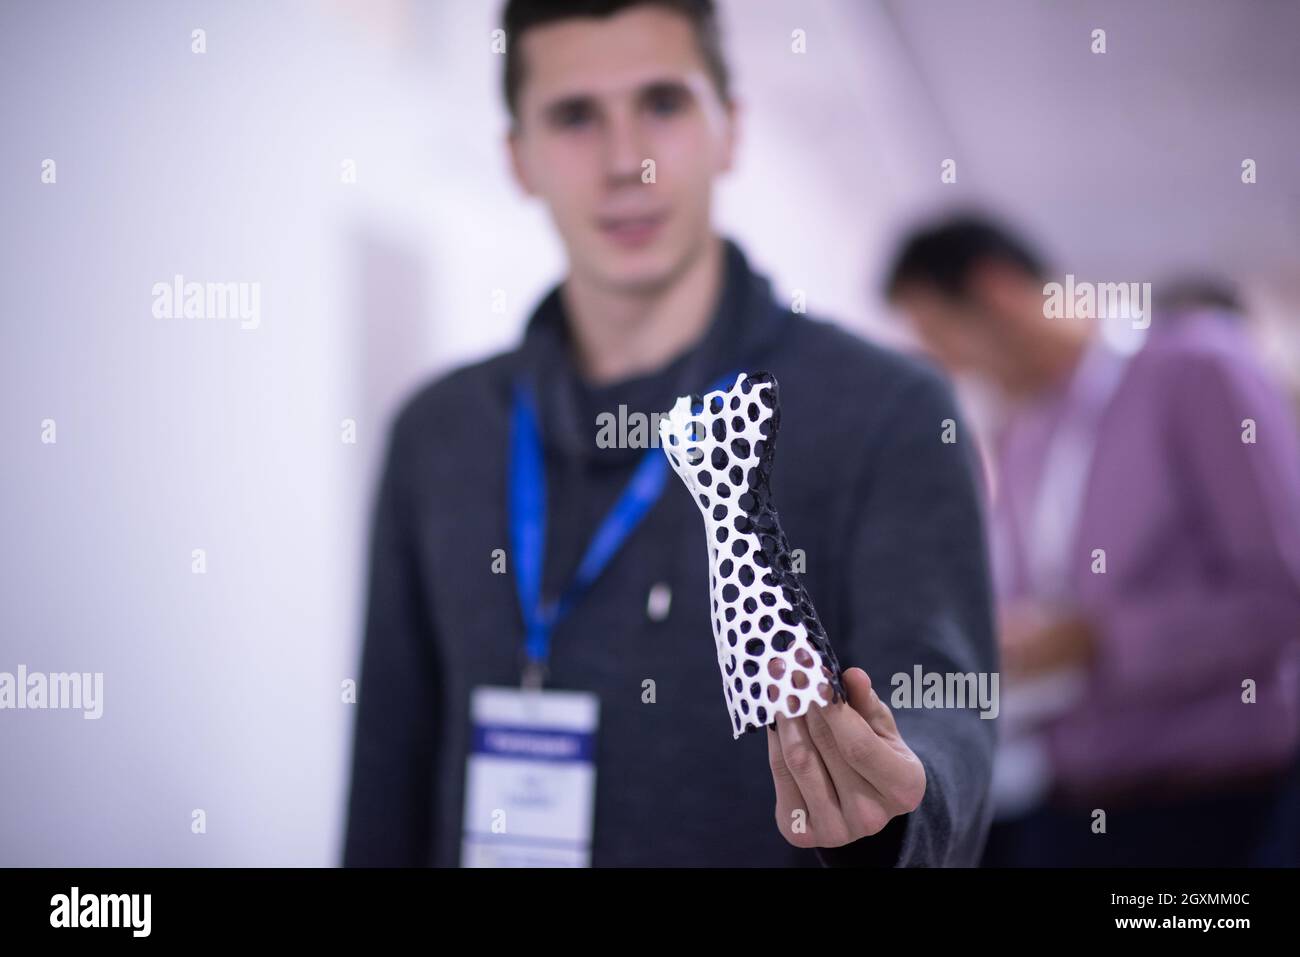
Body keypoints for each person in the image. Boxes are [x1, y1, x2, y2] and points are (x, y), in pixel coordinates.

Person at [342, 0, 996, 867]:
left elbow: (943, 700)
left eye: (663, 104)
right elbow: (389, 770)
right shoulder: (440, 434)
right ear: (518, 160)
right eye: (575, 116)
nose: (626, 161)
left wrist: (896, 802)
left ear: (729, 130)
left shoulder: (888, 409)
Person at [885, 214, 1300, 866]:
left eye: (944, 336)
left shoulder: (1195, 369)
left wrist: (1098, 639)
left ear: (996, 292)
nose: (953, 367)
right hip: (1078, 799)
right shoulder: (1024, 434)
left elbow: (1281, 593)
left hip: (1219, 803)